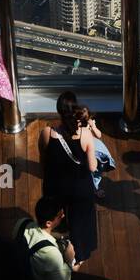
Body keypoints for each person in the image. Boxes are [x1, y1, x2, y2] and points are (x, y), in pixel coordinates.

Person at [39, 102, 98, 267]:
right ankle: (78, 257)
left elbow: (43, 162)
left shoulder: (47, 133)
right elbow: (92, 167)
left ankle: (52, 250)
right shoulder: (85, 134)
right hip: (80, 187)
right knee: (81, 221)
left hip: (56, 185)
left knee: (57, 220)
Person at [56, 90, 115, 194]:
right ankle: (95, 188)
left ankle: (94, 187)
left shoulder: (54, 132)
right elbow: (92, 167)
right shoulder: (85, 132)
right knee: (95, 172)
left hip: (70, 168)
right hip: (90, 150)